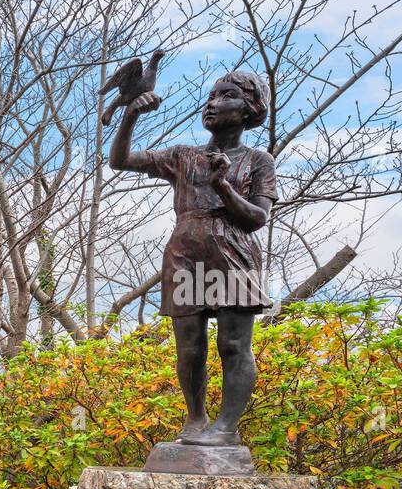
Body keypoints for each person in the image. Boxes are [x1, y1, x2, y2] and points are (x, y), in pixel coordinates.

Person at [109, 70, 277, 447]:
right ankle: (195, 420)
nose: (213, 102)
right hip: (185, 249)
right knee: (189, 345)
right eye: (211, 95)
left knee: (234, 345)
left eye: (226, 95)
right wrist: (131, 115)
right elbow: (119, 161)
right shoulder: (183, 155)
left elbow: (257, 218)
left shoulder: (258, 159)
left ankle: (227, 427)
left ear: (249, 108)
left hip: (235, 249)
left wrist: (223, 185)